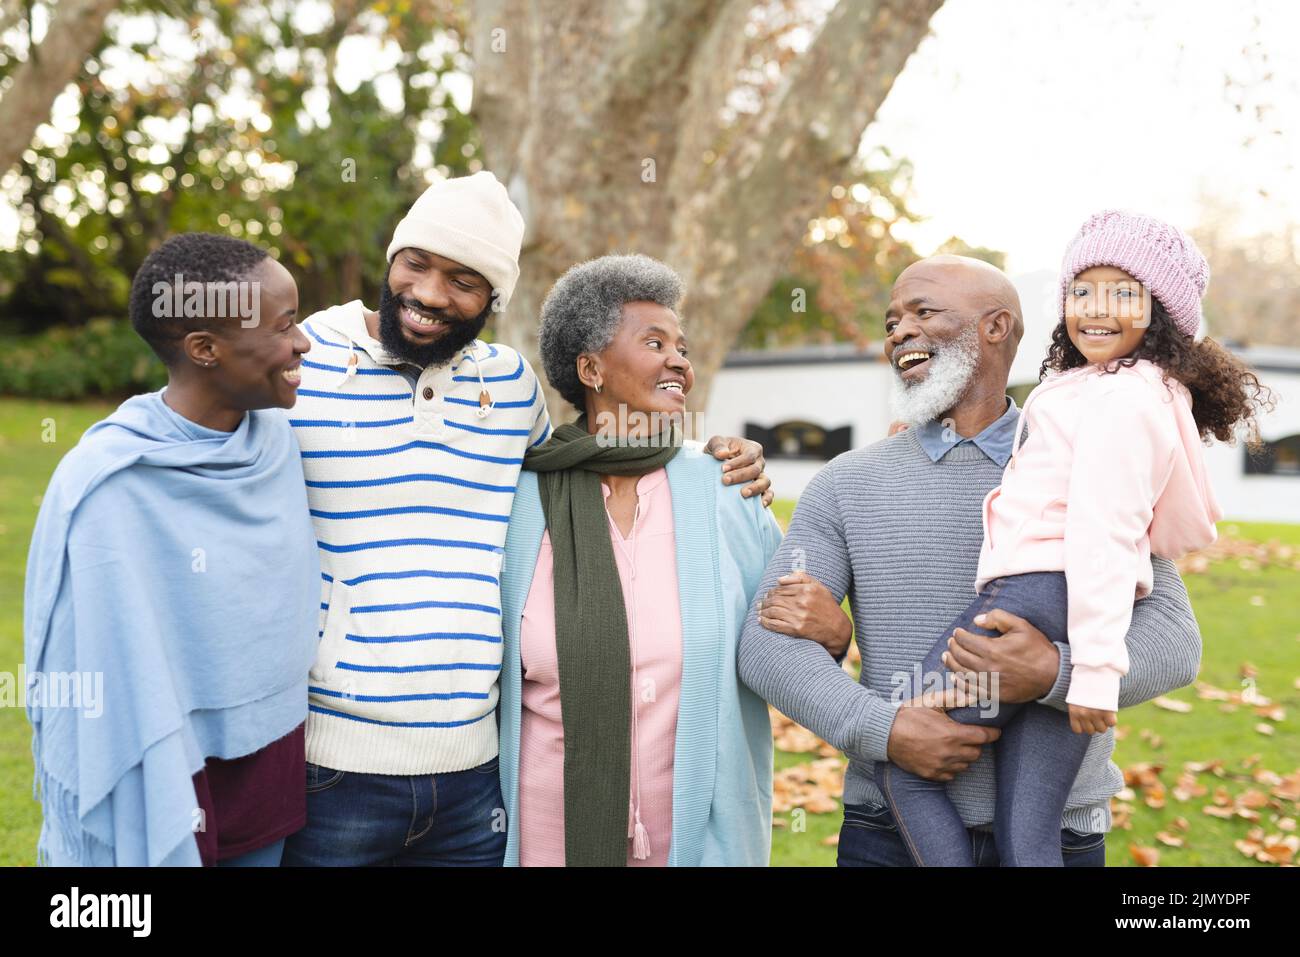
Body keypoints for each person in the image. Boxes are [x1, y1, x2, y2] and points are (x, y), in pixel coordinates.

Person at [280, 175, 772, 867]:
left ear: (493, 299)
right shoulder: (297, 362)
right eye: (415, 263)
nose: (427, 293)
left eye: (461, 279)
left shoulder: (509, 390)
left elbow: (593, 451)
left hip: (475, 778)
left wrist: (714, 450)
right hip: (334, 766)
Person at [740, 252, 1206, 868]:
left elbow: (1175, 641)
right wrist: (886, 731)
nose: (899, 331)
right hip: (888, 833)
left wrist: (1052, 674)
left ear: (996, 327)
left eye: (922, 312)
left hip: (1060, 830)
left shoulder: (1082, 455)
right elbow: (767, 648)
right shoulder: (845, 483)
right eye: (890, 322)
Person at [866, 210, 1271, 866]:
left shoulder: (1117, 399)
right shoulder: (1124, 390)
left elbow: (1103, 533)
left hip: (1033, 596)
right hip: (1065, 606)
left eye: (1122, 292)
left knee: (905, 765)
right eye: (1081, 291)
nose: (1095, 308)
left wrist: (1094, 674)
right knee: (1030, 830)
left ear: (1160, 311)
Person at [24, 232, 318, 866]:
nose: (303, 343)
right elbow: (95, 655)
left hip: (267, 753)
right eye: (284, 326)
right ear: (204, 349)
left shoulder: (277, 445)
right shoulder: (109, 480)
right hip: (155, 755)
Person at [494, 254, 780, 867]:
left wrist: (838, 646)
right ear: (591, 368)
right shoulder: (520, 501)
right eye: (655, 342)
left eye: (683, 346)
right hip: (547, 838)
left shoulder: (728, 488)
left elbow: (789, 644)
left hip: (698, 840)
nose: (680, 359)